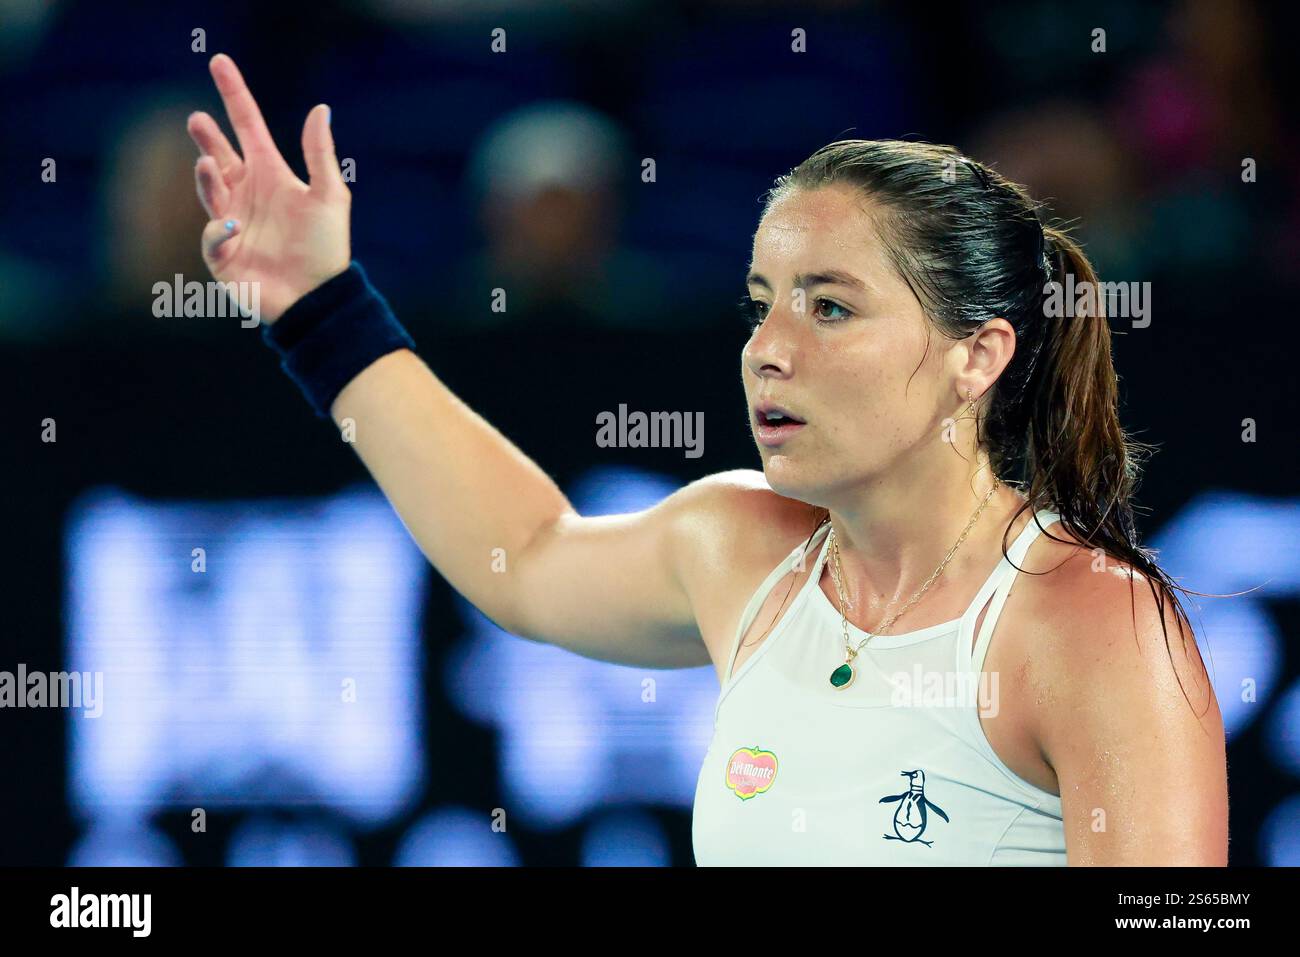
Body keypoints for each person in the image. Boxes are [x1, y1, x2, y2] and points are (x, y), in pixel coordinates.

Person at [186, 53, 1228, 865]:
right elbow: (524, 552)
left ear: (975, 355)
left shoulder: (1090, 622)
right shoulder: (740, 551)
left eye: (830, 306)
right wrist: (321, 309)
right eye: (760, 305)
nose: (769, 349)